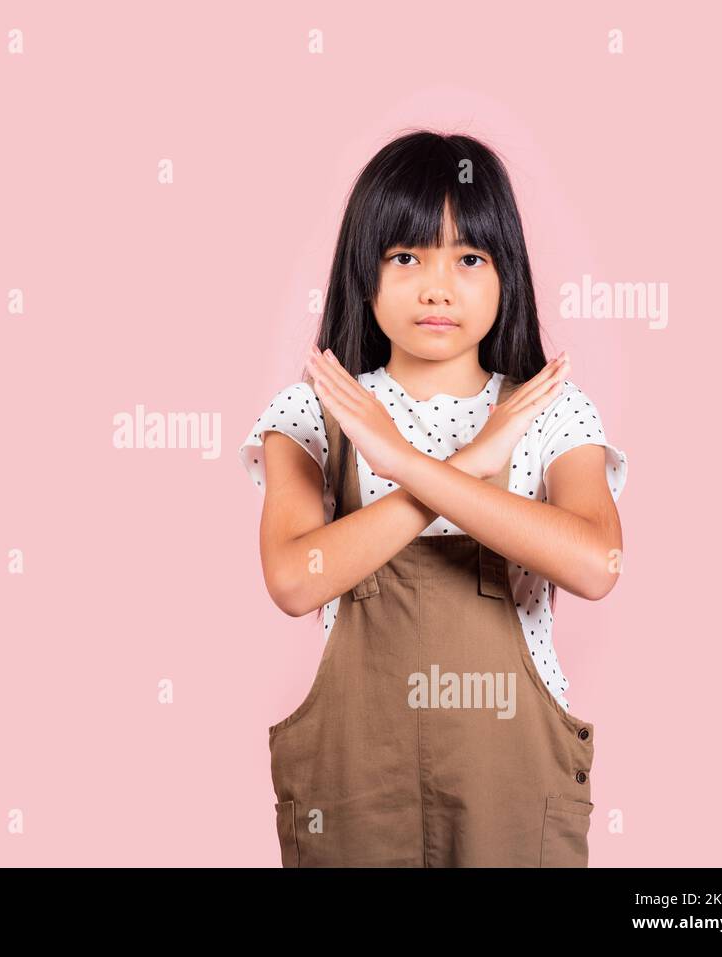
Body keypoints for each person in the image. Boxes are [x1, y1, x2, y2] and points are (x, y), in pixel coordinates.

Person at [237, 130, 628, 867]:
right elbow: (294, 579)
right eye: (407, 256)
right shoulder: (312, 411)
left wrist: (403, 463)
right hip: (356, 787)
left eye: (470, 258)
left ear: (506, 272)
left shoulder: (550, 410)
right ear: (366, 272)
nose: (438, 286)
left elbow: (595, 562)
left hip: (511, 786)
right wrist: (465, 464)